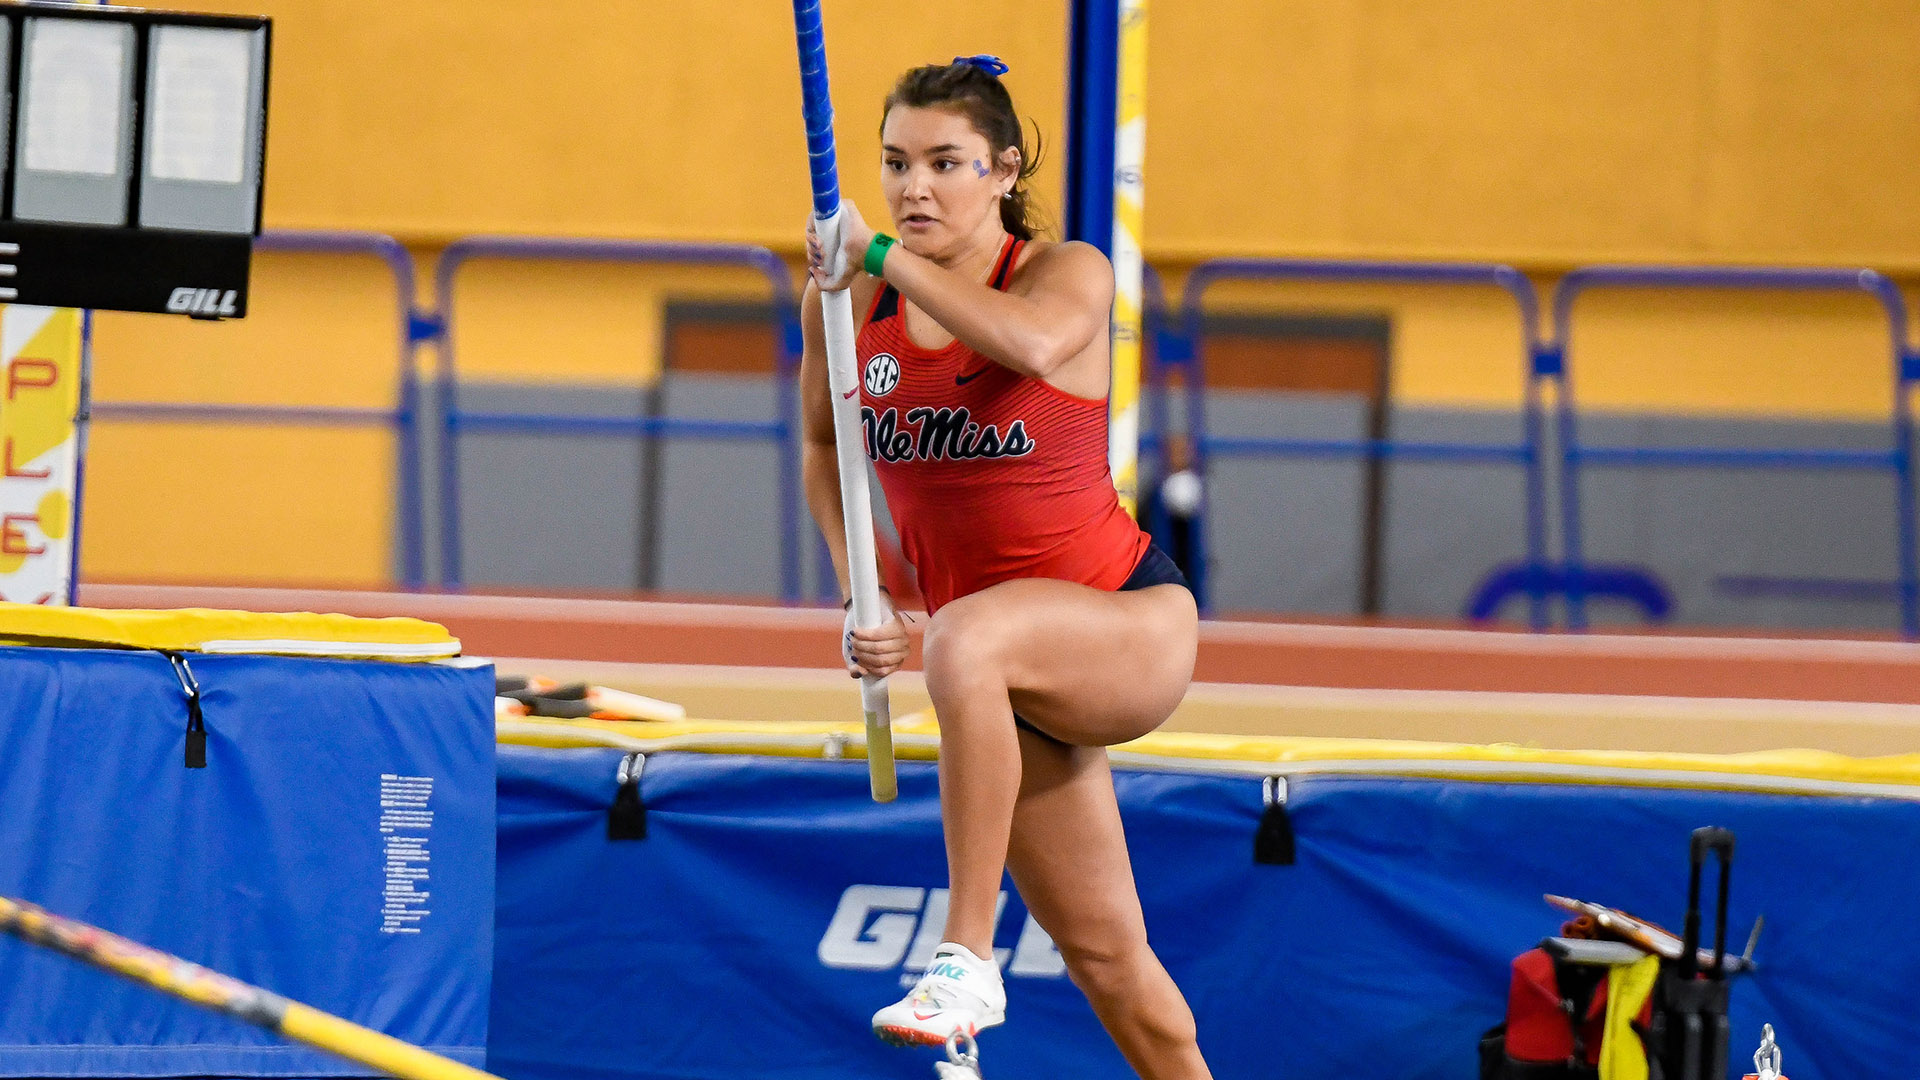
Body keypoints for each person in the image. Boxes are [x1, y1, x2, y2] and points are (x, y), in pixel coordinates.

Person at [800, 57, 1211, 1080]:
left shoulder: (1064, 271)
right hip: (1002, 678)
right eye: (896, 163)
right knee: (1112, 965)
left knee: (970, 633)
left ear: (1003, 171)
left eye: (946, 163)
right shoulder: (854, 305)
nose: (914, 186)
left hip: (1124, 622)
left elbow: (1030, 347)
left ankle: (967, 958)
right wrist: (868, 589)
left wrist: (879, 255)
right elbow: (822, 447)